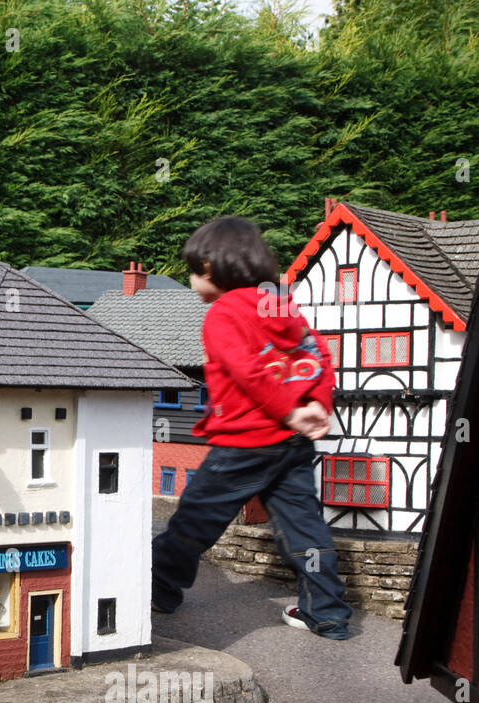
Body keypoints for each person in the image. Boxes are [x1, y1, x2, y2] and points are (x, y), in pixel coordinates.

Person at [151, 216, 353, 640]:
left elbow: (248, 372)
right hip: (292, 442)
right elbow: (318, 355)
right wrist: (315, 403)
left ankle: (158, 588)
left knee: (195, 519)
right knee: (303, 526)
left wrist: (285, 411)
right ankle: (328, 612)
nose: (190, 279)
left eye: (191, 270)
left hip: (245, 440)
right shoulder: (283, 306)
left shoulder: (223, 313)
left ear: (210, 266)